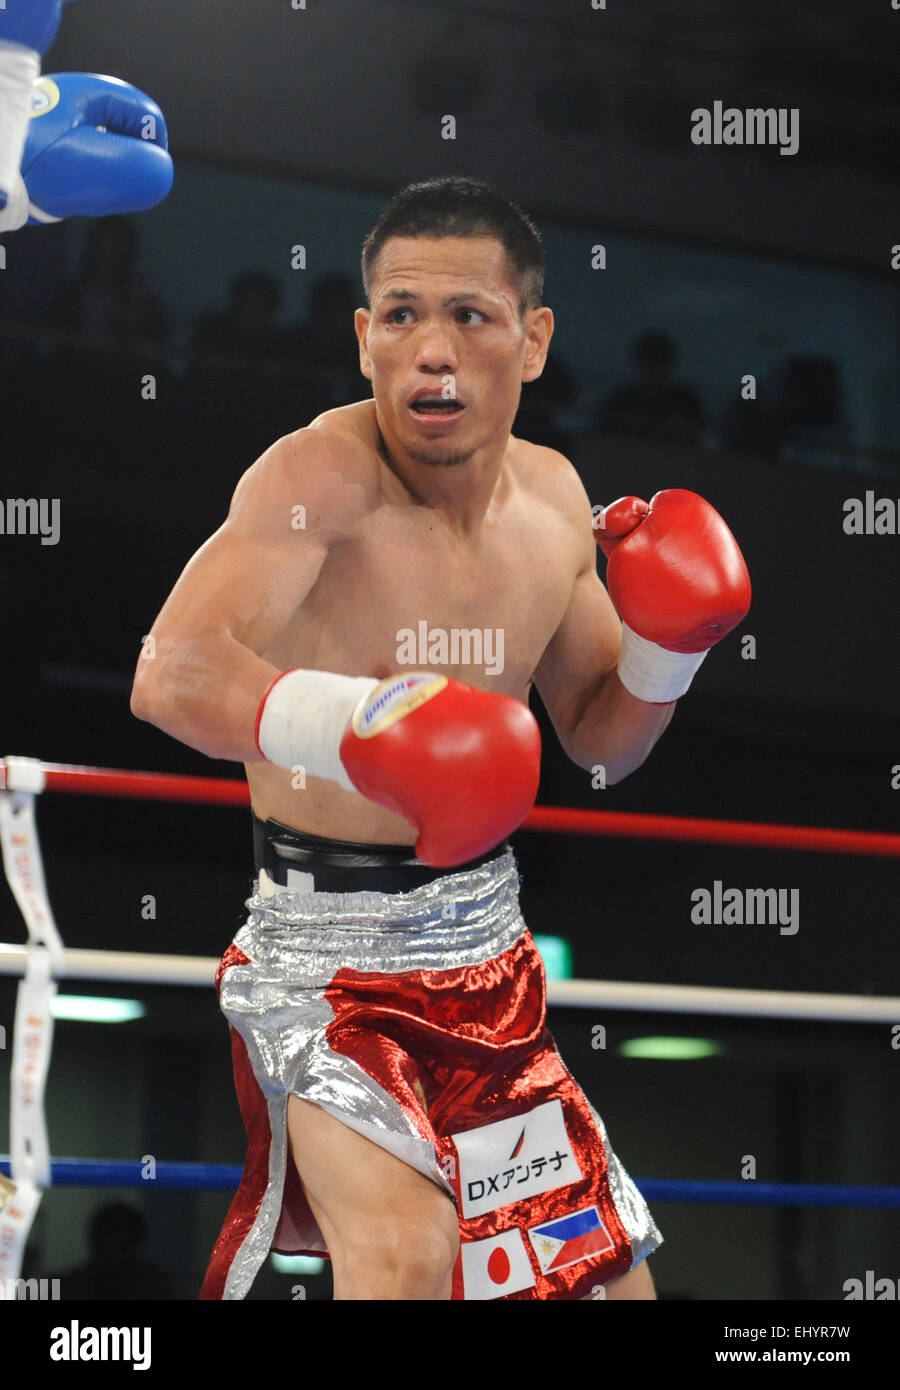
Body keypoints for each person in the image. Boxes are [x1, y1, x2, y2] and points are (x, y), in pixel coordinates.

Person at [130, 175, 750, 1301]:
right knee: (404, 1260)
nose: (432, 349)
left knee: (610, 1287)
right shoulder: (319, 477)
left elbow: (604, 743)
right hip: (330, 965)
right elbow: (170, 673)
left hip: (489, 958)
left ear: (534, 337)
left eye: (469, 314)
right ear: (364, 337)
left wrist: (672, 651)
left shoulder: (559, 501)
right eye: (401, 314)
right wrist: (359, 728)